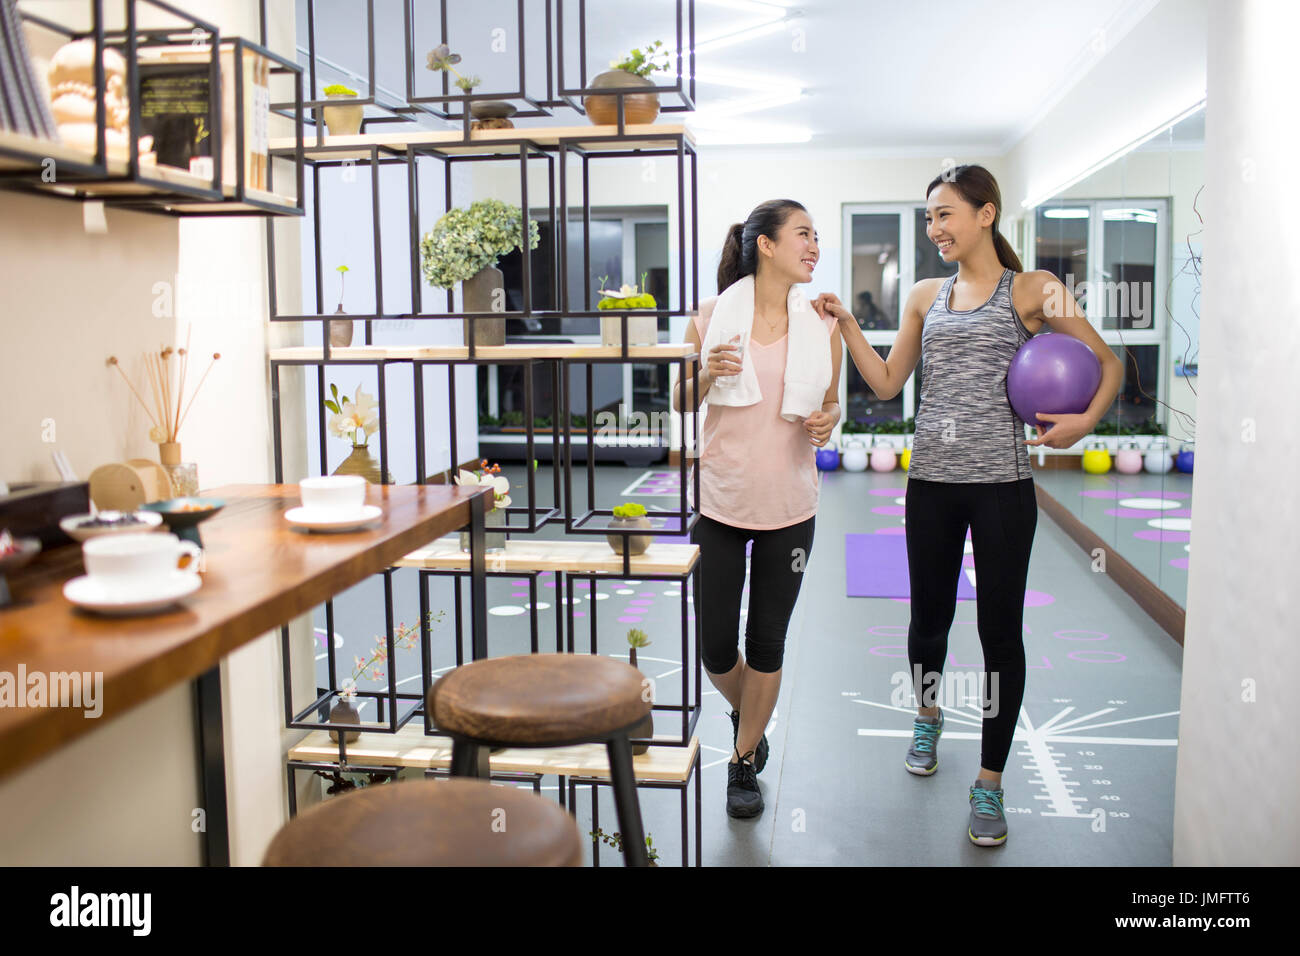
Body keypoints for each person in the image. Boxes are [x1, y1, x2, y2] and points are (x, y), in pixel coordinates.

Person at [814, 165, 1122, 846]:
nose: (935, 229)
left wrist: (1084, 424)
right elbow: (889, 383)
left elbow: (1107, 363)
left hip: (1003, 489)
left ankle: (990, 785)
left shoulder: (1035, 290)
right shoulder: (927, 294)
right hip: (931, 484)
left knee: (999, 636)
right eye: (929, 218)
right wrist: (846, 326)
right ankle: (927, 715)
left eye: (946, 214)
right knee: (928, 623)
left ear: (986, 214)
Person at [673, 199, 842, 818]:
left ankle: (740, 761)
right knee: (717, 647)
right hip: (721, 500)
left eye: (817, 236)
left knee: (765, 641)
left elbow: (831, 405)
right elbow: (679, 398)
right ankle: (752, 712)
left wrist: (829, 420)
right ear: (765, 245)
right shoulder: (714, 315)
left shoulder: (822, 323)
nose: (814, 245)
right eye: (803, 234)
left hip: (791, 506)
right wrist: (706, 377)